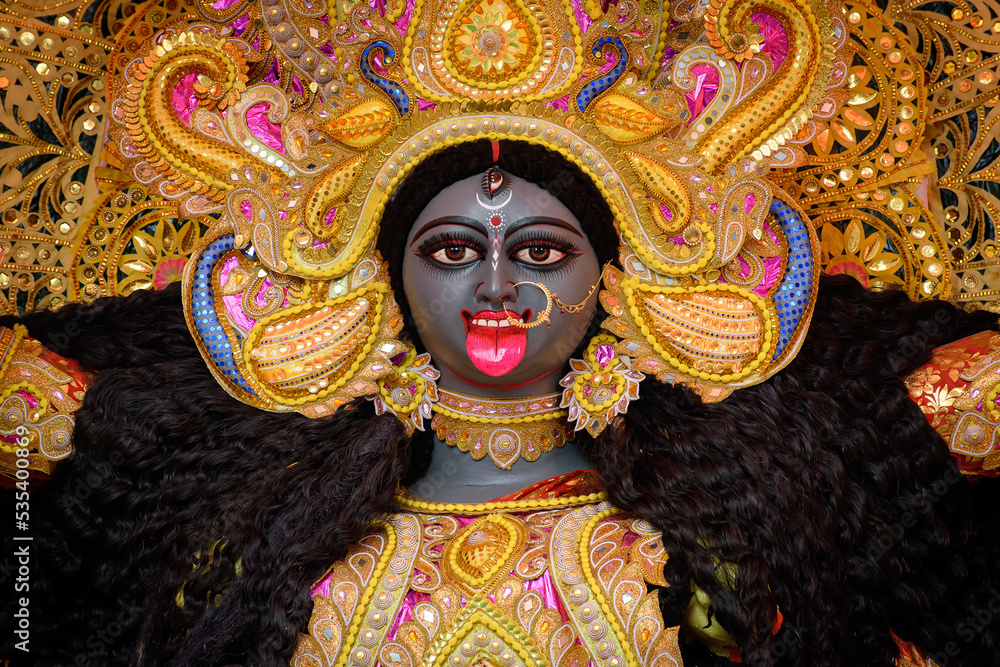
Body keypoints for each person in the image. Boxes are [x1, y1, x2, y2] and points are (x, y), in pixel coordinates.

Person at [4, 139, 1000, 667]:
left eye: (539, 252)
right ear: (383, 284)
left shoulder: (724, 560)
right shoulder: (267, 559)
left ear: (616, 279)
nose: (493, 287)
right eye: (449, 251)